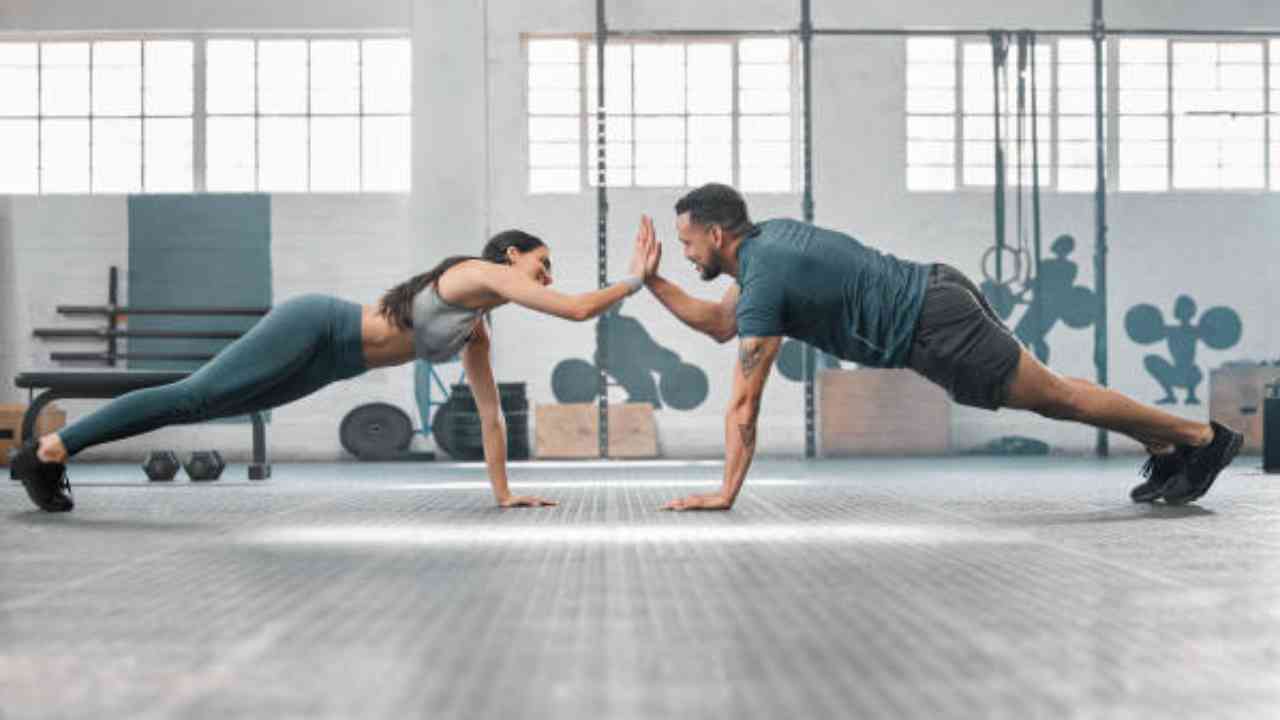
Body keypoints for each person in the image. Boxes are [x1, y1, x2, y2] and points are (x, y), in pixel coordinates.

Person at [636, 183, 1242, 511]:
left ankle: (1199, 440)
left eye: (687, 244)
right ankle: (1167, 443)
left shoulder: (765, 278)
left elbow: (744, 403)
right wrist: (652, 281)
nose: (686, 254)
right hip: (934, 294)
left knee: (1057, 399)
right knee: (1055, 397)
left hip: (933, 323)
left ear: (717, 235)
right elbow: (721, 324)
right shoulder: (767, 245)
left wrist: (724, 493)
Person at [12, 227, 658, 513]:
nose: (546, 274)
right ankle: (48, 449)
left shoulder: (476, 329)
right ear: (513, 255)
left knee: (208, 406)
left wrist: (504, 493)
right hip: (318, 326)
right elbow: (576, 310)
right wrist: (636, 276)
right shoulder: (478, 272)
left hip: (332, 363)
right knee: (195, 395)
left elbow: (491, 418)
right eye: (541, 261)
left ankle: (48, 451)